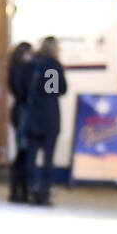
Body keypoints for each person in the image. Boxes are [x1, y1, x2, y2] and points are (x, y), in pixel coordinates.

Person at [19, 36, 67, 206]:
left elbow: (23, 88)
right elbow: (53, 90)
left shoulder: (32, 64)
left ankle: (31, 187)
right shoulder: (52, 66)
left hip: (33, 116)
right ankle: (45, 191)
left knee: (31, 155)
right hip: (49, 117)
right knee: (48, 158)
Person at [7, 41, 34, 203]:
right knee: (23, 152)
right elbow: (24, 91)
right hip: (23, 113)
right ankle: (19, 190)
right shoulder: (22, 70)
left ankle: (18, 190)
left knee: (22, 152)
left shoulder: (14, 69)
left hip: (19, 112)